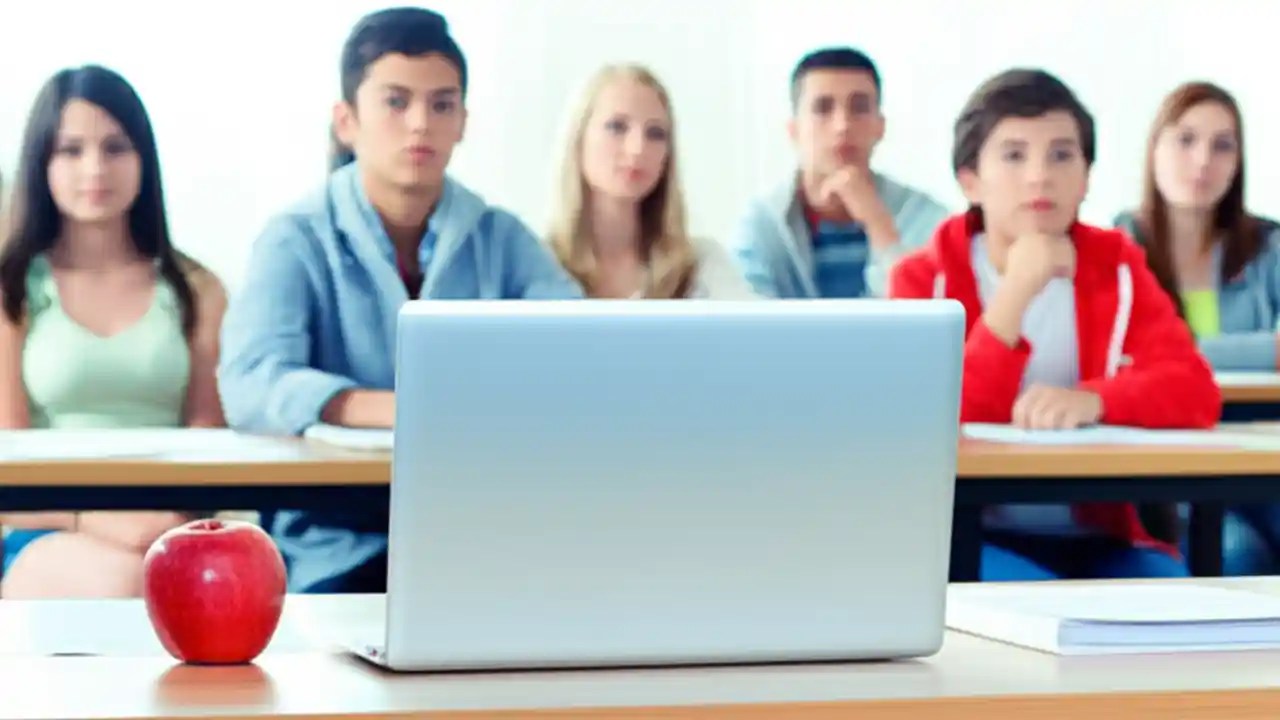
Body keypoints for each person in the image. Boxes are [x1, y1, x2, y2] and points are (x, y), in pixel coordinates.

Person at [217, 7, 583, 593]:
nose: (420, 123)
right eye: (395, 101)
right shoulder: (296, 235)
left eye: (442, 104)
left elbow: (578, 351)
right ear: (346, 120)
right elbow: (250, 381)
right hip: (335, 538)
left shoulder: (501, 237)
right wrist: (385, 406)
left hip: (475, 528)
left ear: (463, 120)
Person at [888, 68, 1221, 581]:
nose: (1040, 175)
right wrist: (1016, 291)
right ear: (969, 179)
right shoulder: (920, 279)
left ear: (1086, 177)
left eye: (1062, 155)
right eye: (1014, 155)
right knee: (1042, 607)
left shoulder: (1116, 265)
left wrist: (1096, 399)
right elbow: (929, 418)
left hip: (1100, 538)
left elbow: (1196, 392)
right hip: (966, 534)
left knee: (1170, 597)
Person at [0, 65, 226, 598]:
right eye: (71, 150)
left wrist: (164, 520)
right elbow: (7, 460)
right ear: (41, 164)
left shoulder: (198, 288)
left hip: (170, 523)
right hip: (47, 527)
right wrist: (100, 519)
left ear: (144, 158)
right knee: (125, 582)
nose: (95, 168)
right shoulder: (11, 290)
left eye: (116, 146)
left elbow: (209, 435)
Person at [1115, 81, 1280, 576]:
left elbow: (1170, 356)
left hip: (1264, 455)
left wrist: (1181, 357)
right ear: (1154, 149)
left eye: (1222, 144)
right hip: (1174, 470)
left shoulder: (1267, 245)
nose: (1203, 159)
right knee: (1238, 555)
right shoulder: (1121, 244)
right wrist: (1265, 350)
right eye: (1186, 140)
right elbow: (1131, 358)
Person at [730, 47, 949, 299]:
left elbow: (926, 322)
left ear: (881, 126)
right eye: (823, 108)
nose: (842, 125)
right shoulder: (762, 224)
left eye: (859, 107)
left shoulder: (926, 219)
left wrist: (878, 224)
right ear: (794, 129)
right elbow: (748, 327)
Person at [546, 64, 753, 299]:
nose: (637, 149)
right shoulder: (532, 265)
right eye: (617, 127)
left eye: (655, 134)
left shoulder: (703, 267)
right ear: (578, 139)